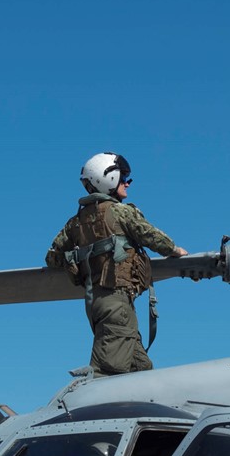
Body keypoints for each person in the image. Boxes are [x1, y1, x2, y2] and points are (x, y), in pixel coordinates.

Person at [45, 152, 189, 375]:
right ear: (109, 181)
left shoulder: (75, 223)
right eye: (124, 179)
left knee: (141, 370)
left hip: (95, 304)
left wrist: (79, 258)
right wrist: (175, 250)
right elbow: (151, 236)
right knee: (108, 373)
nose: (127, 185)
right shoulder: (122, 213)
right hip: (116, 303)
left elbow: (52, 257)